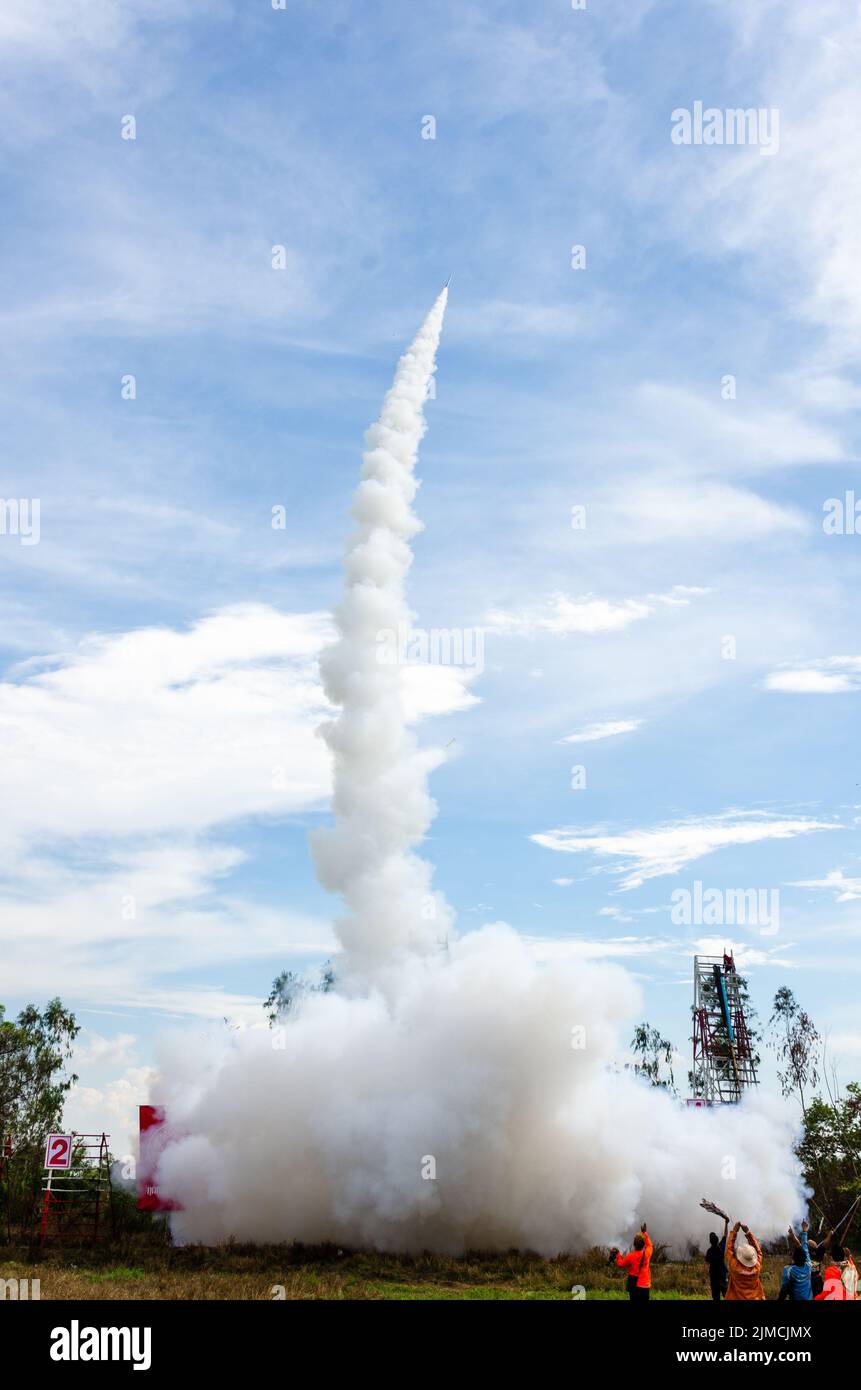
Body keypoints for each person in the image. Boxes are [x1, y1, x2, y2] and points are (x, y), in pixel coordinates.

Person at [612, 1222, 653, 1302]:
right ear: (643, 1244)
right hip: (645, 1285)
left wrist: (618, 1255)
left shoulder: (631, 1256)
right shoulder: (647, 1253)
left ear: (634, 1244)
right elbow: (650, 1245)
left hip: (634, 1285)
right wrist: (644, 1233)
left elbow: (620, 1264)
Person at [725, 1221, 765, 1300]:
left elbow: (729, 1249)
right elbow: (759, 1251)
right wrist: (748, 1232)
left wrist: (734, 1231)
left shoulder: (735, 1267)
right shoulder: (757, 1267)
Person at [779, 1220, 813, 1301]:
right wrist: (804, 1231)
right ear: (805, 1257)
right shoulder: (808, 1264)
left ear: (793, 1257)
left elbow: (784, 1289)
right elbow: (804, 1246)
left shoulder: (788, 1270)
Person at [704, 1216, 729, 1301]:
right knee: (727, 1296)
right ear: (718, 1240)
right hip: (723, 1277)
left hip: (714, 1280)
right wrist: (726, 1223)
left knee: (716, 1298)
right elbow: (725, 1235)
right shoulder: (721, 1247)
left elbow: (707, 1262)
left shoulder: (709, 1252)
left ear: (710, 1242)